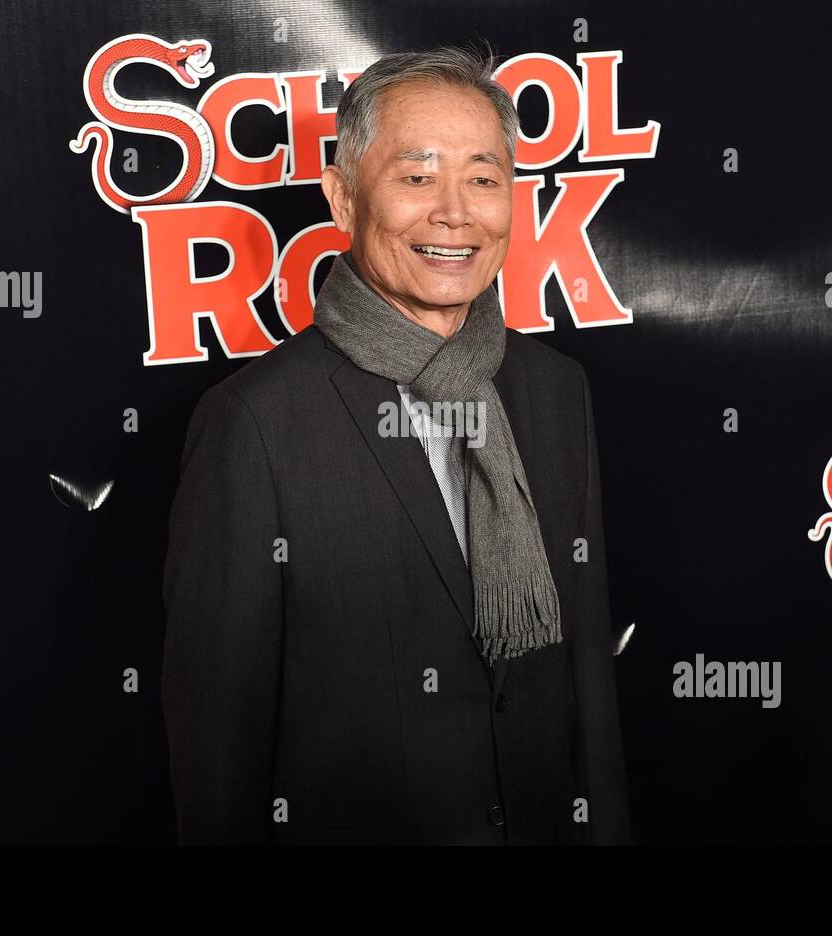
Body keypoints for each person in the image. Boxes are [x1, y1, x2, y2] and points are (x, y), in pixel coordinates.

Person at [160, 42, 632, 844]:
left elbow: (585, 673)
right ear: (342, 200)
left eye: (484, 178)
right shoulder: (254, 423)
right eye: (416, 177)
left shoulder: (556, 390)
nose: (456, 211)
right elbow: (219, 740)